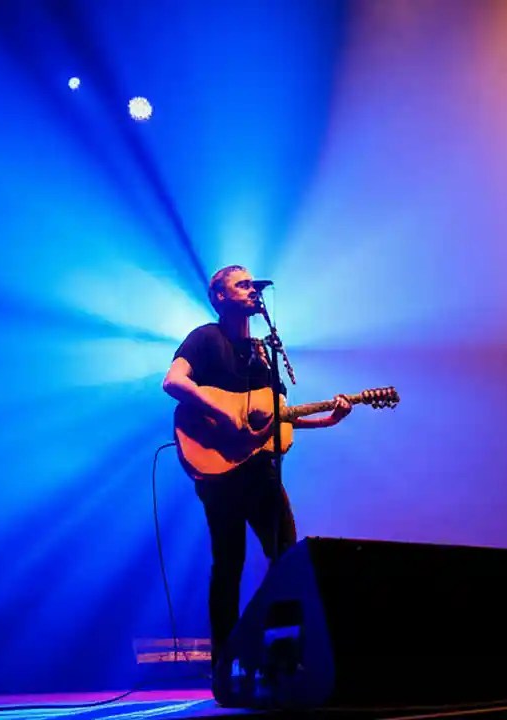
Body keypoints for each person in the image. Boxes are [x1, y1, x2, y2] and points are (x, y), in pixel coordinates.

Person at [161, 265, 352, 676]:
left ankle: (285, 657)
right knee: (228, 564)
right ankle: (223, 665)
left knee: (287, 559)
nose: (253, 291)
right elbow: (173, 382)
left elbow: (272, 419)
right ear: (220, 297)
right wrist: (222, 414)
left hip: (262, 471)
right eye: (242, 285)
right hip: (220, 472)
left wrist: (326, 420)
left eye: (254, 285)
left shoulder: (264, 351)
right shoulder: (205, 338)